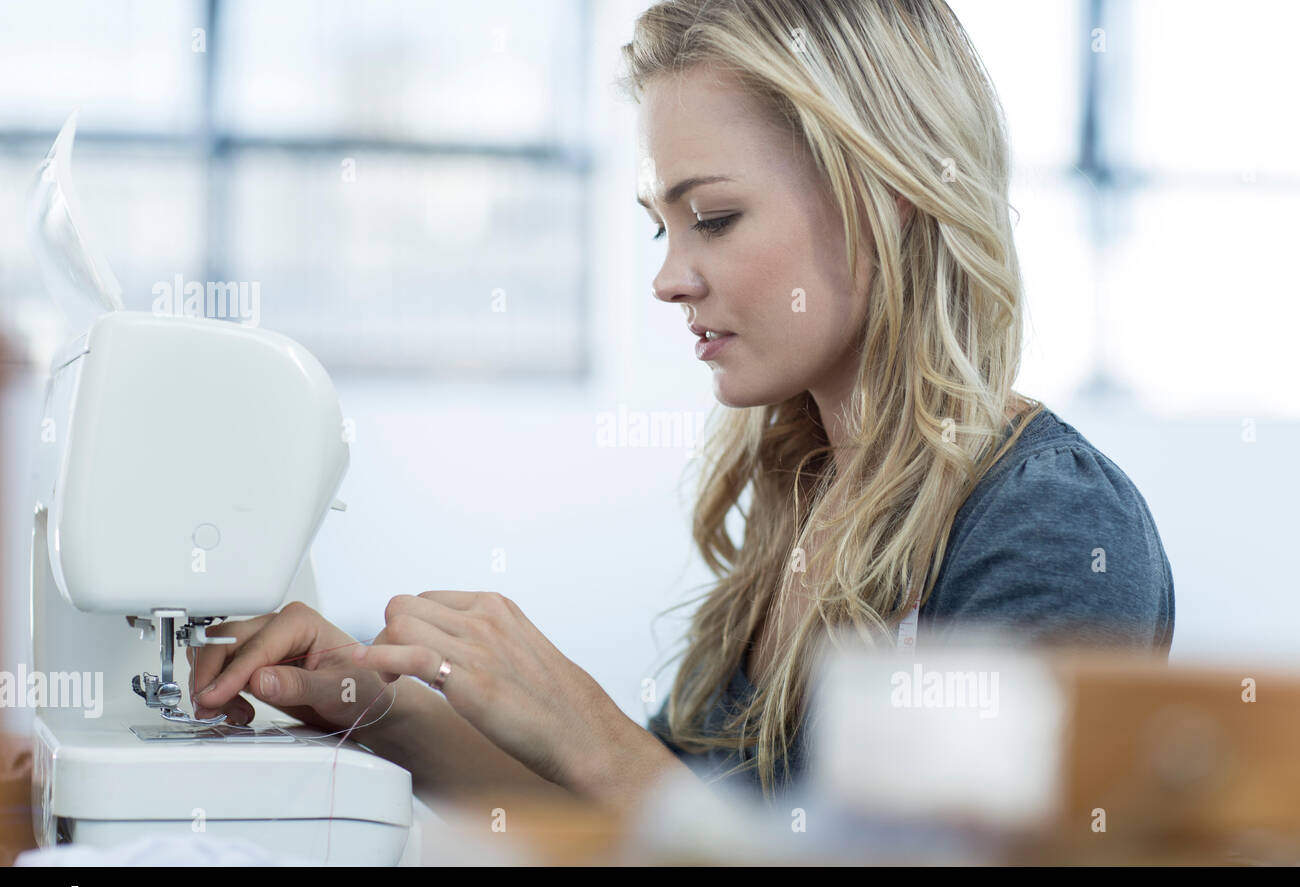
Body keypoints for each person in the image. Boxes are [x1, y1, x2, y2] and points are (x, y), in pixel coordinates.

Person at [193, 0, 1173, 809]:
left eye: (713, 218)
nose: (668, 278)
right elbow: (667, 822)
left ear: (887, 194)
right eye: (660, 226)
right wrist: (377, 705)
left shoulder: (1047, 522)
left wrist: (589, 725)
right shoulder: (810, 489)